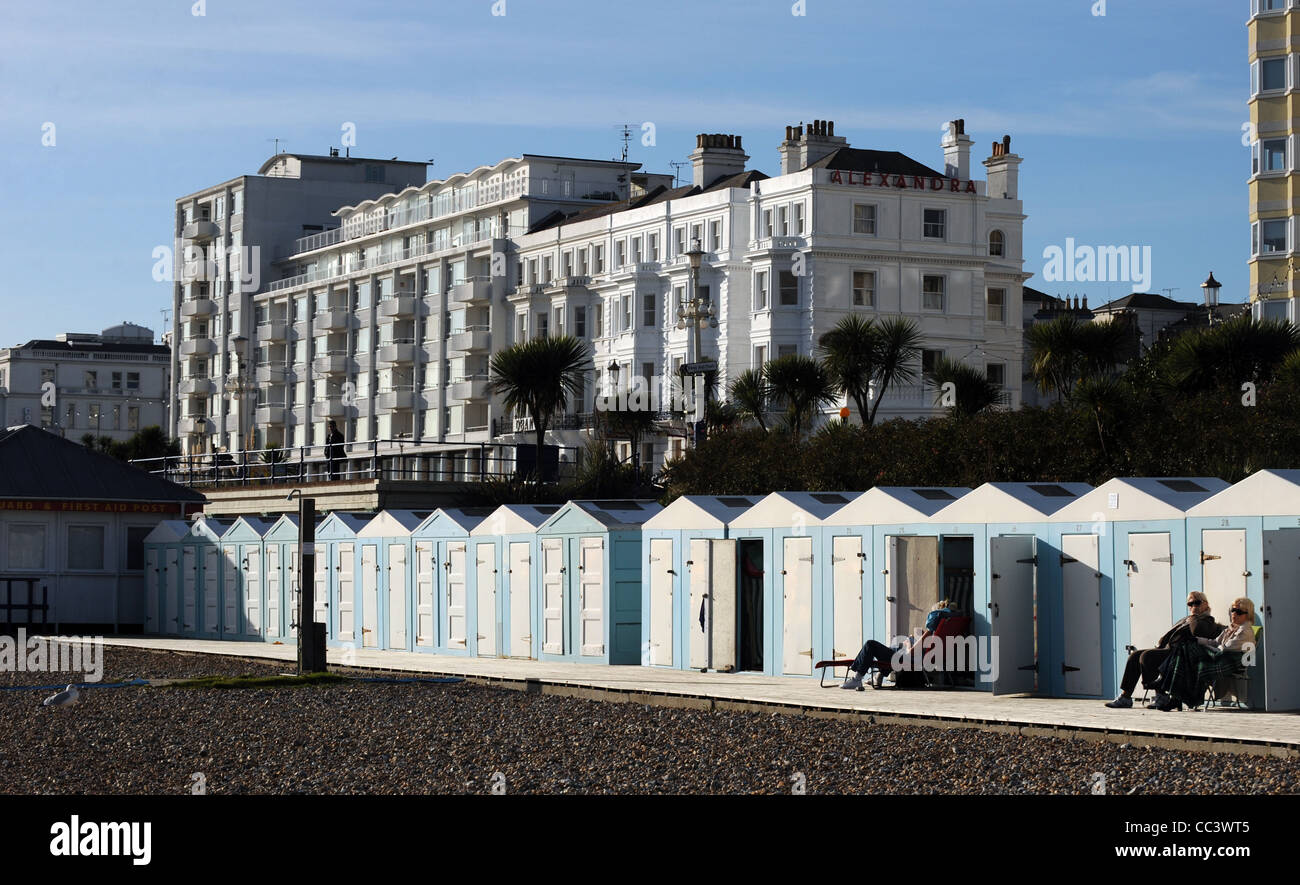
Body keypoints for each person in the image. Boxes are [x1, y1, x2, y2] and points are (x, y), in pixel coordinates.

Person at [1104, 591, 1221, 708]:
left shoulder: (1208, 621)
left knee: (1147, 656)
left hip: (1180, 654)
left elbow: (1196, 632)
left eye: (1197, 602)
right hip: (1167, 649)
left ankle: (1161, 696)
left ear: (1205, 604)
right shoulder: (1187, 619)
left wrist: (1194, 616)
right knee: (1135, 655)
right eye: (1190, 604)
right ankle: (1126, 697)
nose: (1193, 606)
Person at [1147, 597, 1256, 711]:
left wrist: (1200, 646)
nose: (1234, 614)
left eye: (1238, 612)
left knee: (1187, 651)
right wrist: (1197, 640)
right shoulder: (1231, 628)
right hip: (1219, 656)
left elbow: (1222, 649)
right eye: (1233, 610)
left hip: (1229, 661)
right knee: (1185, 650)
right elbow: (1214, 642)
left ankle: (1166, 682)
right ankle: (1175, 698)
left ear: (1247, 615)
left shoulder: (1245, 631)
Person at [842, 600, 954, 690]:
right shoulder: (941, 633)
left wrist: (908, 643)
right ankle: (877, 676)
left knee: (870, 645)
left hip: (906, 658)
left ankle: (857, 678)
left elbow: (911, 652)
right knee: (888, 650)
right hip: (913, 657)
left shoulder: (929, 633)